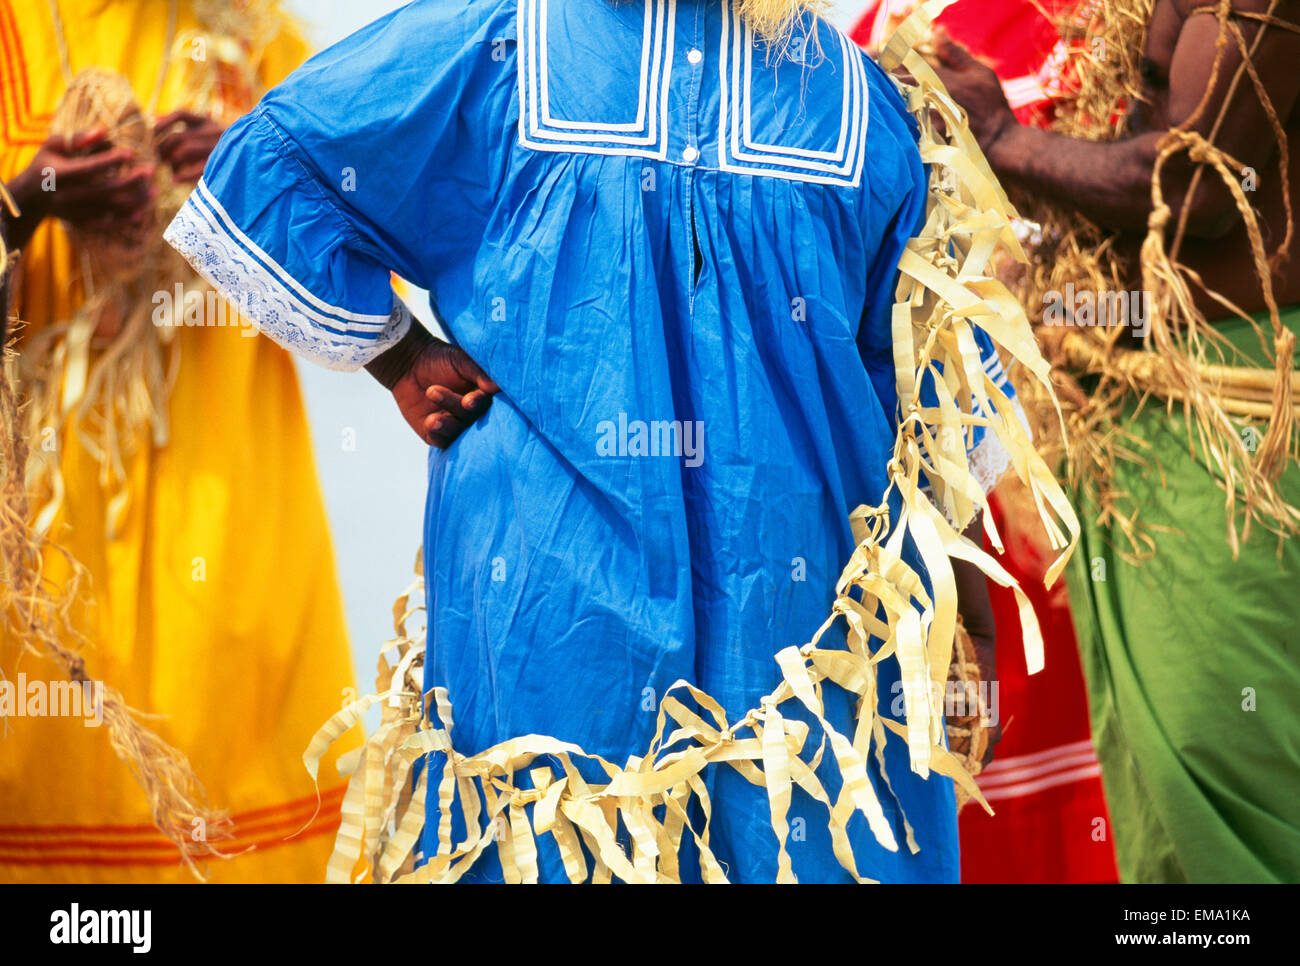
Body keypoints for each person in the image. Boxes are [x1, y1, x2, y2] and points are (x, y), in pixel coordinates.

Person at [168, 0, 1067, 883]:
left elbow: (271, 169)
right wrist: (970, 630)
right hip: (775, 664)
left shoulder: (495, 49)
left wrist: (400, 354)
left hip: (587, 642)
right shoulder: (857, 105)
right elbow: (929, 411)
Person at [930, 0, 1300, 881]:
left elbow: (1204, 181)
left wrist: (1003, 140)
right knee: (1157, 790)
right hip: (1142, 422)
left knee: (1222, 761)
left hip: (1236, 414)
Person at [0, 0, 357, 882]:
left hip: (230, 534)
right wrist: (26, 199)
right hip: (42, 570)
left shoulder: (257, 44)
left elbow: (363, 299)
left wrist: (256, 184)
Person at [854, 0, 1120, 885]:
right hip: (944, 488)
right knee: (976, 780)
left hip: (1107, 469)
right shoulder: (855, 50)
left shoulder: (1113, 27)